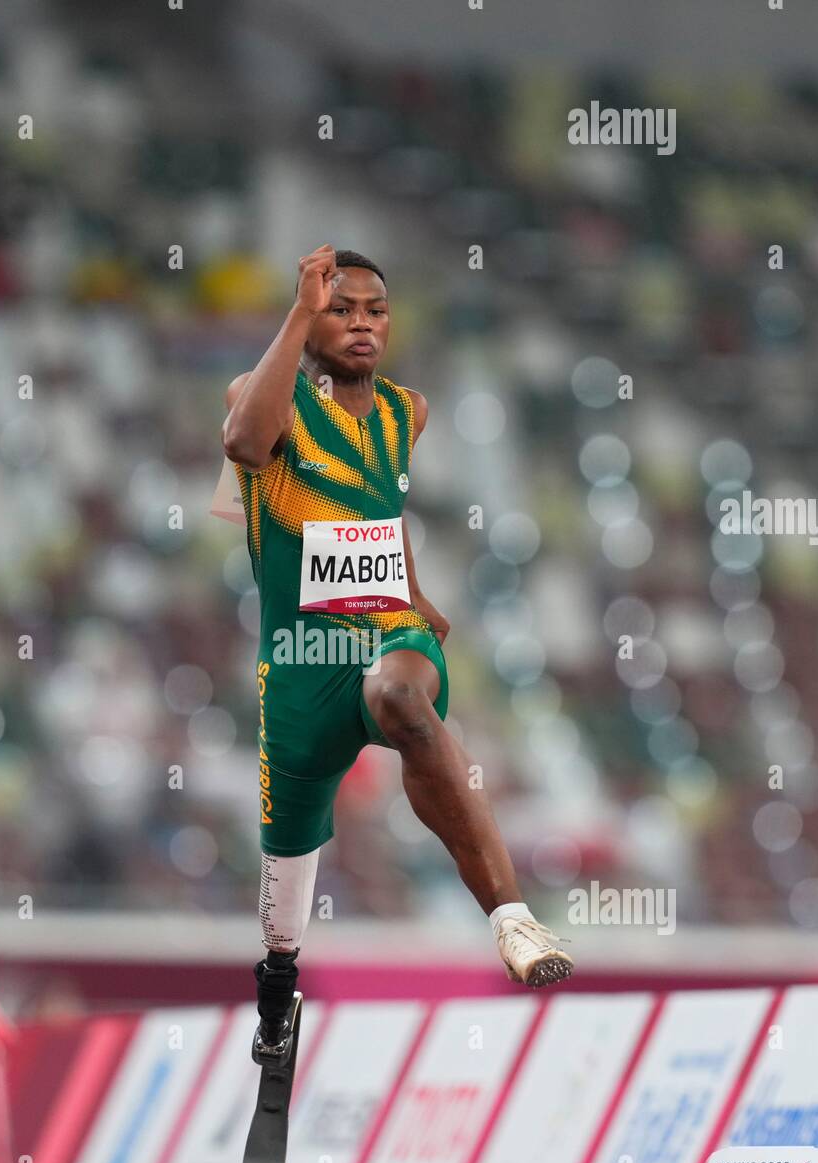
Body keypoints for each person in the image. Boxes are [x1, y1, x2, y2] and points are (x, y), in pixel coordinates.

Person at [222, 244, 573, 1061]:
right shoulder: (264, 400)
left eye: (375, 311)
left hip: (387, 637)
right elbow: (243, 444)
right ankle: (278, 987)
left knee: (405, 701)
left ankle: (512, 920)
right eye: (341, 310)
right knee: (286, 887)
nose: (362, 325)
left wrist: (411, 592)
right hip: (301, 662)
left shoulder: (404, 414)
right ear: (310, 319)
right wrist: (297, 314)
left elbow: (381, 509)